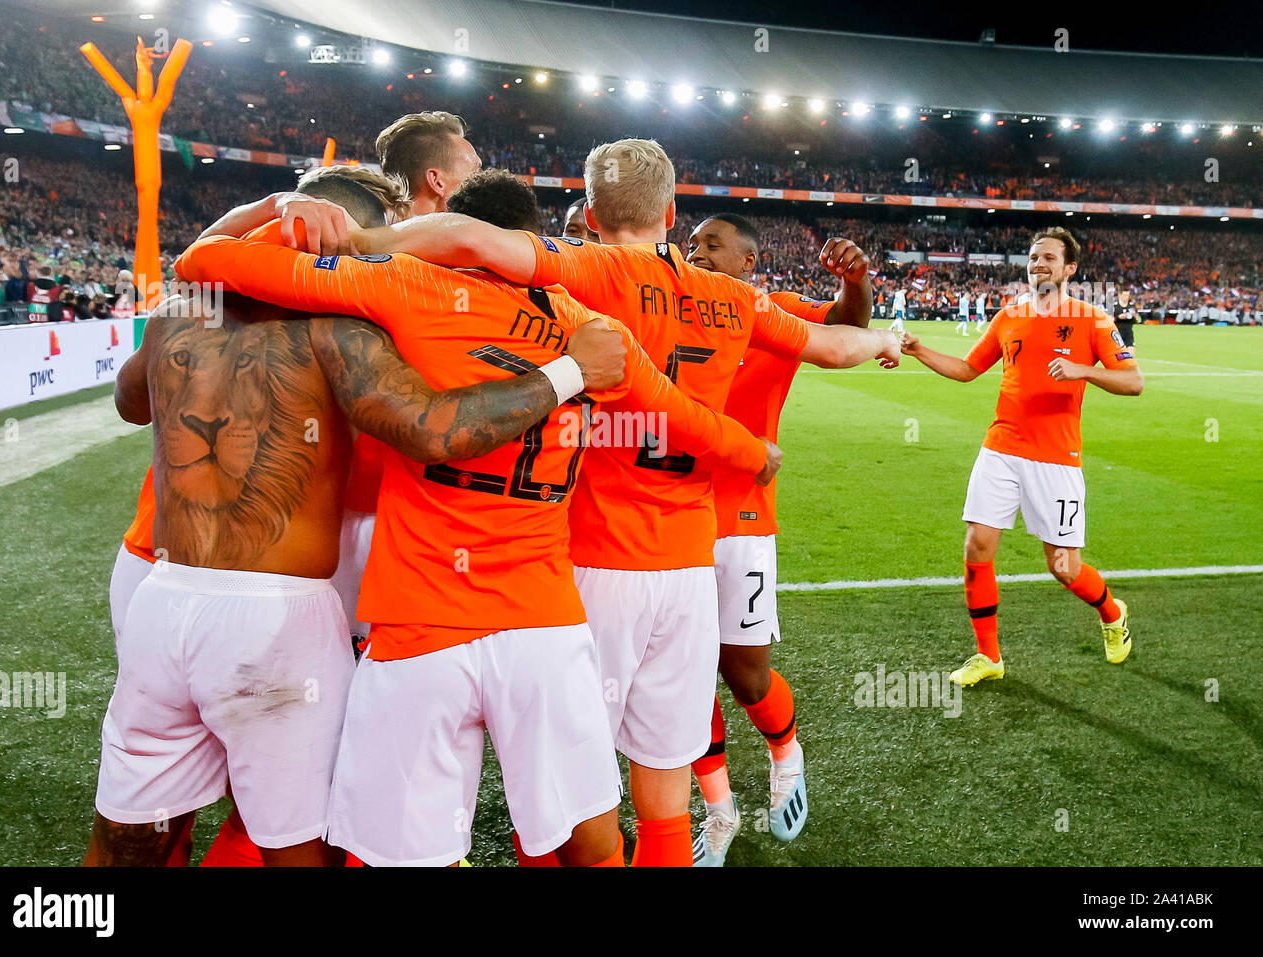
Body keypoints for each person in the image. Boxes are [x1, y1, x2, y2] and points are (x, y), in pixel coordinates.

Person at [322, 137, 900, 865]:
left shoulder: (592, 270)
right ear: (670, 210)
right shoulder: (733, 296)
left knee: (558, 802)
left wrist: (359, 236)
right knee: (664, 788)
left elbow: (467, 236)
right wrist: (887, 338)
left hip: (592, 564)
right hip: (689, 564)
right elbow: (829, 344)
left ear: (590, 213)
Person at [175, 188, 782, 868]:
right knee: (594, 843)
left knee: (405, 854)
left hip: (421, 622)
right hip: (543, 620)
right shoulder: (595, 328)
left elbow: (205, 261)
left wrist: (279, 207)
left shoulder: (407, 284)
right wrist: (756, 453)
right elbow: (681, 415)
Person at [90, 176, 629, 868]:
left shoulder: (183, 303)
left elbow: (131, 400)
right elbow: (432, 431)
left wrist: (261, 209)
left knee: (127, 837)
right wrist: (567, 372)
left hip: (161, 603)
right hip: (277, 621)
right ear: (346, 242)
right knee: (299, 848)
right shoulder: (341, 322)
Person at [684, 212, 871, 864]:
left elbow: (847, 330)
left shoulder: (774, 311)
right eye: (691, 242)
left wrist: (856, 281)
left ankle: (785, 753)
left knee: (747, 673)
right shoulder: (667, 305)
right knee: (681, 676)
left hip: (743, 519)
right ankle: (717, 808)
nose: (697, 251)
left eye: (713, 243)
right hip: (669, 518)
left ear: (748, 262)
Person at [899, 227, 1144, 688]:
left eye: (1049, 258)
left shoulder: (1092, 319)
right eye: (1033, 259)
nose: (1038, 266)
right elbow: (969, 370)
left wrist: (1081, 370)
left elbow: (1134, 381)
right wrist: (919, 351)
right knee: (977, 546)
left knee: (1064, 568)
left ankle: (1113, 612)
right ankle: (988, 655)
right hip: (1001, 448)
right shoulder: (1008, 316)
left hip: (1056, 457)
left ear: (1070, 268)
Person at [375, 111, 481, 216]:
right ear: (437, 181)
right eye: (475, 173)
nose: (482, 180)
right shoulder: (482, 231)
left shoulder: (371, 228)